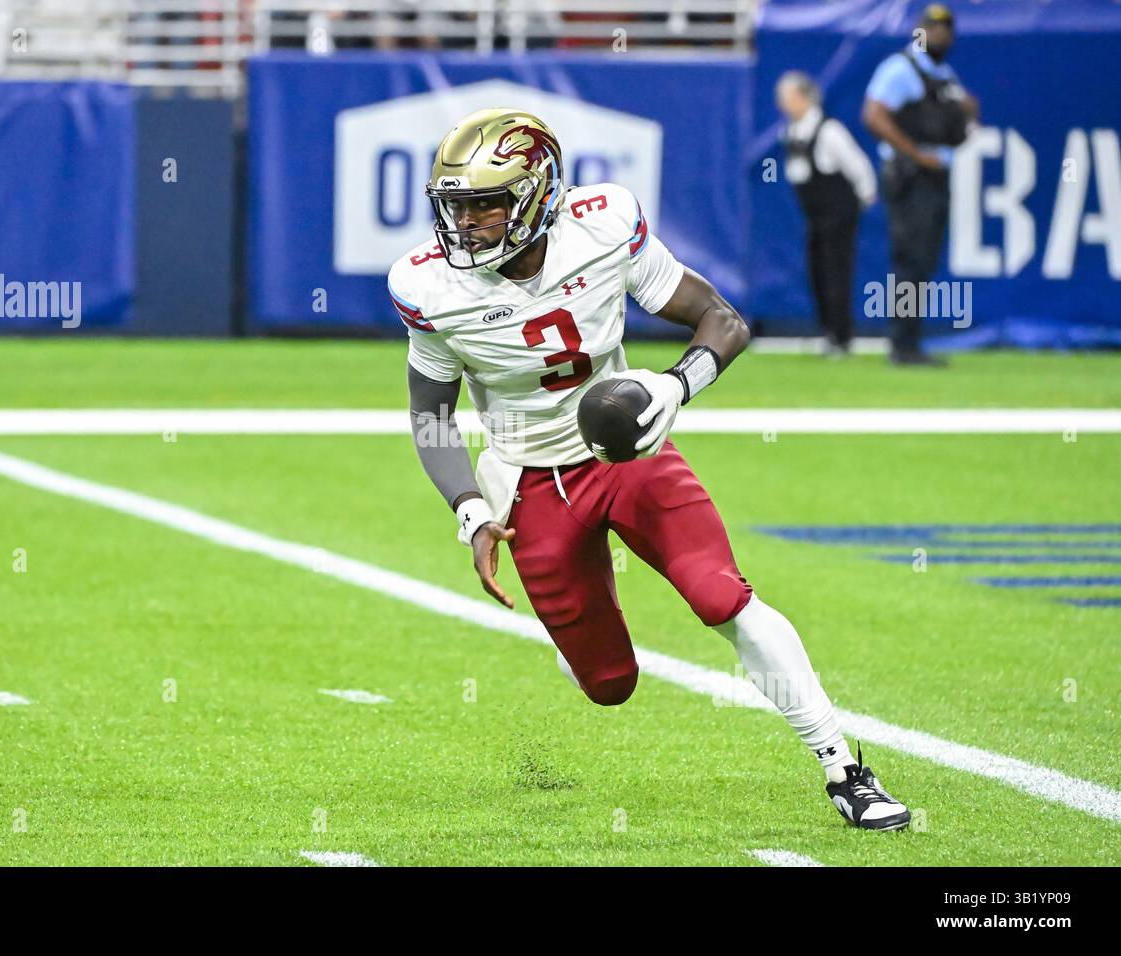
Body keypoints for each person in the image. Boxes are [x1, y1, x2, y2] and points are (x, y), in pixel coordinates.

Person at [392, 107, 911, 830]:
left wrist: (672, 385)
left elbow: (722, 319)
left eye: (488, 202)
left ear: (538, 194)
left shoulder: (603, 226)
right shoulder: (429, 288)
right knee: (609, 684)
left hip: (625, 451)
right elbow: (430, 416)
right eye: (457, 206)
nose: (468, 223)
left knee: (720, 597)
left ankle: (844, 769)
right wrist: (471, 513)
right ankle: (588, 620)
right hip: (529, 479)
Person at [863, 3, 978, 366]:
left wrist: (965, 111)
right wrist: (914, 154)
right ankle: (903, 345)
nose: (941, 35)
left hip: (934, 175)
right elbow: (873, 115)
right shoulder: (901, 68)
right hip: (911, 177)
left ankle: (909, 341)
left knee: (922, 262)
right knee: (910, 262)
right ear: (919, 30)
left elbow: (963, 112)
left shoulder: (943, 74)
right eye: (934, 28)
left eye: (947, 29)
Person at [777, 71, 877, 356]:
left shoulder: (829, 131)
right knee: (817, 272)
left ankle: (842, 336)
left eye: (789, 98)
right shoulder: (791, 133)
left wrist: (865, 195)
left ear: (805, 98)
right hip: (816, 215)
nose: (784, 105)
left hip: (839, 212)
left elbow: (858, 166)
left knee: (837, 272)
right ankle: (828, 332)